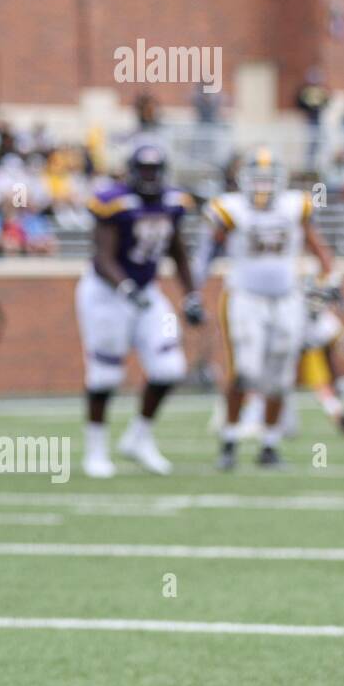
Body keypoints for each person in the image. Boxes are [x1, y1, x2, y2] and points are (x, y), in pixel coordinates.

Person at [198, 148, 334, 468]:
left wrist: (332, 278)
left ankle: (269, 445)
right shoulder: (230, 207)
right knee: (245, 370)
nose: (262, 187)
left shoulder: (295, 205)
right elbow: (207, 249)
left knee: (280, 374)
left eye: (267, 180)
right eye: (256, 180)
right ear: (243, 181)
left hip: (287, 297)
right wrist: (195, 289)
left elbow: (318, 247)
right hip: (244, 297)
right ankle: (229, 440)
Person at [75, 142, 202, 478]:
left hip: (145, 291)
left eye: (154, 170)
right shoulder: (115, 202)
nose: (149, 177)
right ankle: (96, 450)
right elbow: (103, 257)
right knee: (105, 375)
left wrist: (191, 295)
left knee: (169, 368)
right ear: (131, 171)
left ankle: (138, 438)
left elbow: (178, 252)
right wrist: (126, 288)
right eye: (143, 170)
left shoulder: (173, 203)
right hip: (106, 293)